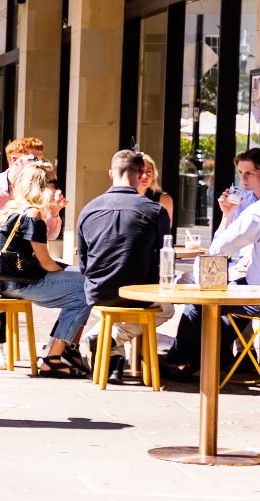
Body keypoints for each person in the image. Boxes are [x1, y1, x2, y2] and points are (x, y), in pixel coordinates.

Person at [78, 149, 175, 382]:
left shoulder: (88, 208)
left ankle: (112, 363)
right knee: (168, 309)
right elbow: (165, 256)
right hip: (139, 293)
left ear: (111, 174)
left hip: (98, 291)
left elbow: (83, 261)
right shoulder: (154, 210)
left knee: (112, 316)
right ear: (141, 172)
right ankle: (106, 337)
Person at [163, 147, 260, 378]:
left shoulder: (256, 211)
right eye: (240, 173)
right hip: (245, 274)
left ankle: (186, 361)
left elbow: (220, 248)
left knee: (201, 300)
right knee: (223, 299)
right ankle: (221, 360)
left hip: (255, 291)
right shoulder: (245, 200)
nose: (243, 179)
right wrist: (227, 215)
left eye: (249, 173)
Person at [0, 163, 94, 377]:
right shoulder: (33, 214)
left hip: (4, 282)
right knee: (88, 287)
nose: (56, 190)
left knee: (82, 282)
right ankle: (53, 357)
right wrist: (68, 271)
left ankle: (63, 350)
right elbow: (46, 263)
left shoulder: (9, 210)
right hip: (23, 284)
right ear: (42, 187)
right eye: (52, 185)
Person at [0, 136, 60, 258]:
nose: (39, 164)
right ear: (15, 159)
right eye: (34, 159)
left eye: (42, 160)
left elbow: (49, 236)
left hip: (25, 264)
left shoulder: (38, 190)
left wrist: (54, 214)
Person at [139, 153, 176, 223]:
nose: (144, 176)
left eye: (148, 172)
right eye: (140, 171)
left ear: (154, 175)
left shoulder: (164, 200)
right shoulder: (124, 198)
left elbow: (166, 230)